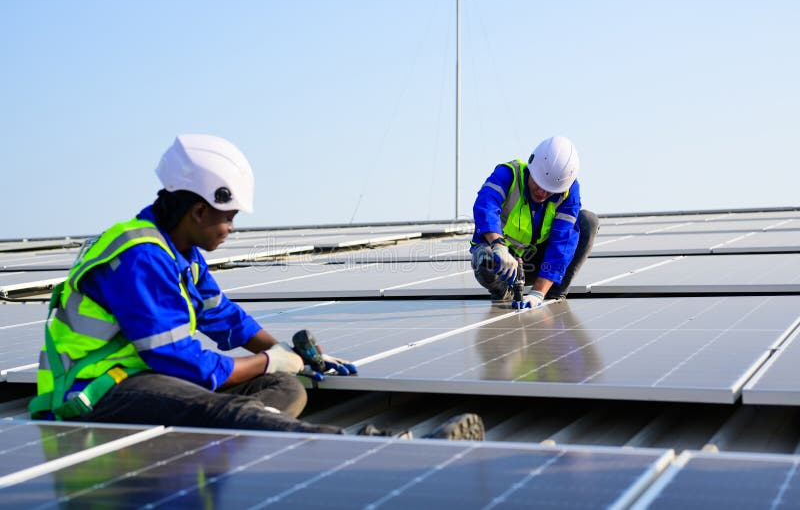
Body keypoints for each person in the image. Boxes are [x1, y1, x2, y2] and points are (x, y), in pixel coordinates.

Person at [29, 133, 484, 440]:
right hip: (97, 390)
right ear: (199, 211)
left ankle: (253, 432)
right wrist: (266, 360)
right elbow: (181, 360)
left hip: (147, 378)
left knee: (288, 387)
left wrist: (288, 353)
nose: (231, 229)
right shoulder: (139, 256)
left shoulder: (179, 252)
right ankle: (371, 447)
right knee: (220, 409)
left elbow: (223, 316)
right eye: (228, 217)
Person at [470, 136, 599, 306]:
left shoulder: (568, 192)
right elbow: (485, 205)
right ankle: (504, 293)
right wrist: (499, 245)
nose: (541, 192)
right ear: (531, 169)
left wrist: (538, 292)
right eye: (538, 184)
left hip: (540, 260)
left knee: (587, 221)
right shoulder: (508, 174)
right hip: (504, 258)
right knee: (484, 258)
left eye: (549, 190)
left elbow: (563, 241)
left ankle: (553, 295)